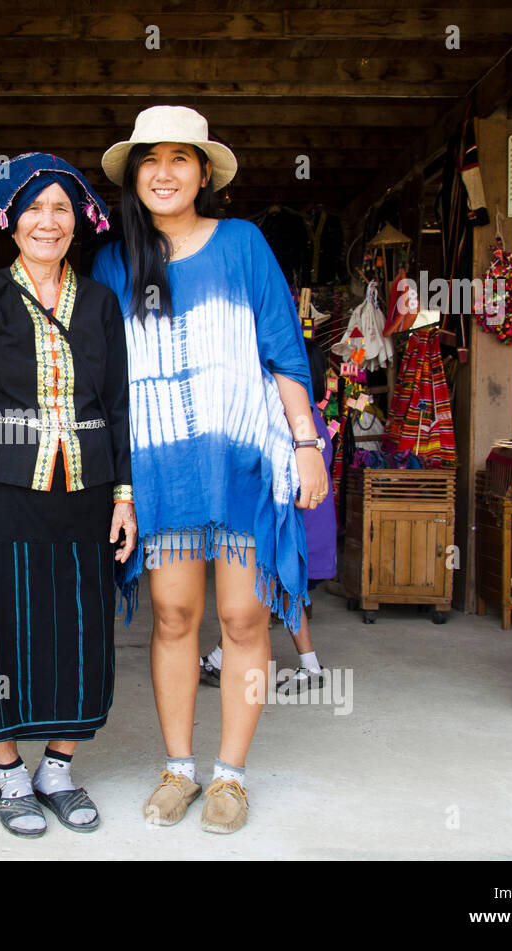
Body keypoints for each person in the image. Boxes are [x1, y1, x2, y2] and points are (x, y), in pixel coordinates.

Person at [91, 106, 328, 834]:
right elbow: (98, 375)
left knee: (242, 615)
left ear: (203, 174)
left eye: (180, 159)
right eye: (150, 160)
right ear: (134, 177)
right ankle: (177, 768)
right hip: (160, 469)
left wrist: (307, 442)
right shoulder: (112, 262)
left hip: (242, 461)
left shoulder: (245, 244)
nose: (163, 172)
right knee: (172, 615)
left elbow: (286, 350)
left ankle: (230, 775)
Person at [0, 153, 137, 838]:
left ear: (78, 221)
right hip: (4, 488)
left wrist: (124, 495)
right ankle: (12, 772)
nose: (48, 221)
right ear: (10, 221)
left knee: (82, 625)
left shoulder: (101, 304)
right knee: (3, 623)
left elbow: (118, 404)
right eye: (34, 209)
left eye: (61, 209)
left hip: (87, 487)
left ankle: (59, 768)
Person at [200, 338, 337, 694]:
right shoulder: (315, 421)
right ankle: (219, 657)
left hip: (297, 533)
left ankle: (311, 664)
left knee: (273, 594)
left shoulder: (298, 426)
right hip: (306, 531)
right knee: (260, 596)